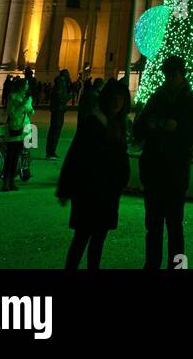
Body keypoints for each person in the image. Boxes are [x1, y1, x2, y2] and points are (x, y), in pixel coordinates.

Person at [133, 54, 193, 270]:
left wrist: (179, 128)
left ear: (182, 75)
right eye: (168, 74)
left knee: (175, 228)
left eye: (174, 74)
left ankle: (178, 267)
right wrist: (151, 125)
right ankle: (152, 265)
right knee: (153, 226)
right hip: (155, 170)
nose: (171, 78)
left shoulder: (192, 101)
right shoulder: (157, 98)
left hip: (175, 172)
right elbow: (139, 128)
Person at [56, 78, 131, 269]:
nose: (117, 102)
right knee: (82, 238)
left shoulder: (117, 125)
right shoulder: (93, 123)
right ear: (106, 99)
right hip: (89, 192)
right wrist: (65, 189)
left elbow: (121, 158)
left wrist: (122, 180)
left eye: (121, 98)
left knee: (97, 240)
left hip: (107, 193)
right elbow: (75, 156)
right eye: (114, 98)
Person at [3, 78, 34, 191]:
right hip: (14, 129)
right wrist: (23, 104)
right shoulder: (13, 96)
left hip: (24, 130)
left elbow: (30, 111)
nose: (27, 86)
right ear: (20, 86)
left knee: (16, 157)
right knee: (10, 157)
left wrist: (30, 109)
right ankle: (6, 181)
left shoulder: (26, 97)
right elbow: (12, 113)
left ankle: (11, 180)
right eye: (25, 84)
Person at [45, 69, 72, 159]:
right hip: (58, 110)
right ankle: (51, 152)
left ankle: (50, 151)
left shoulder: (59, 83)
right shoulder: (61, 83)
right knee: (55, 132)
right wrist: (70, 95)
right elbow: (61, 97)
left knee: (53, 131)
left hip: (57, 110)